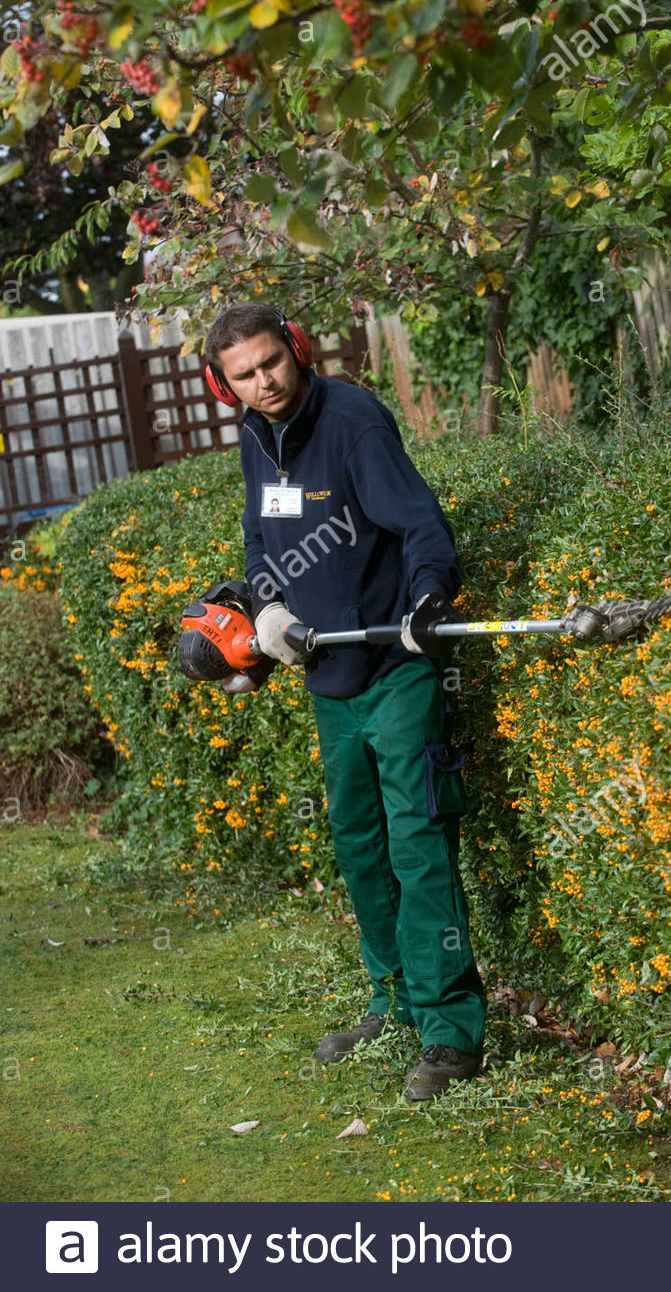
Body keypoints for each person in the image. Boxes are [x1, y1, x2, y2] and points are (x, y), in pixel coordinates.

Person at [203, 302, 486, 1101]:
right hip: (328, 679)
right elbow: (263, 540)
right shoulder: (255, 435)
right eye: (244, 375)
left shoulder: (355, 421)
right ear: (224, 387)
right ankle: (390, 1004)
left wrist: (428, 601)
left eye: (271, 363)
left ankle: (449, 1032)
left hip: (394, 666)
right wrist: (268, 609)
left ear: (297, 351)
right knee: (361, 849)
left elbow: (422, 524)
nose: (264, 383)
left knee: (417, 843)